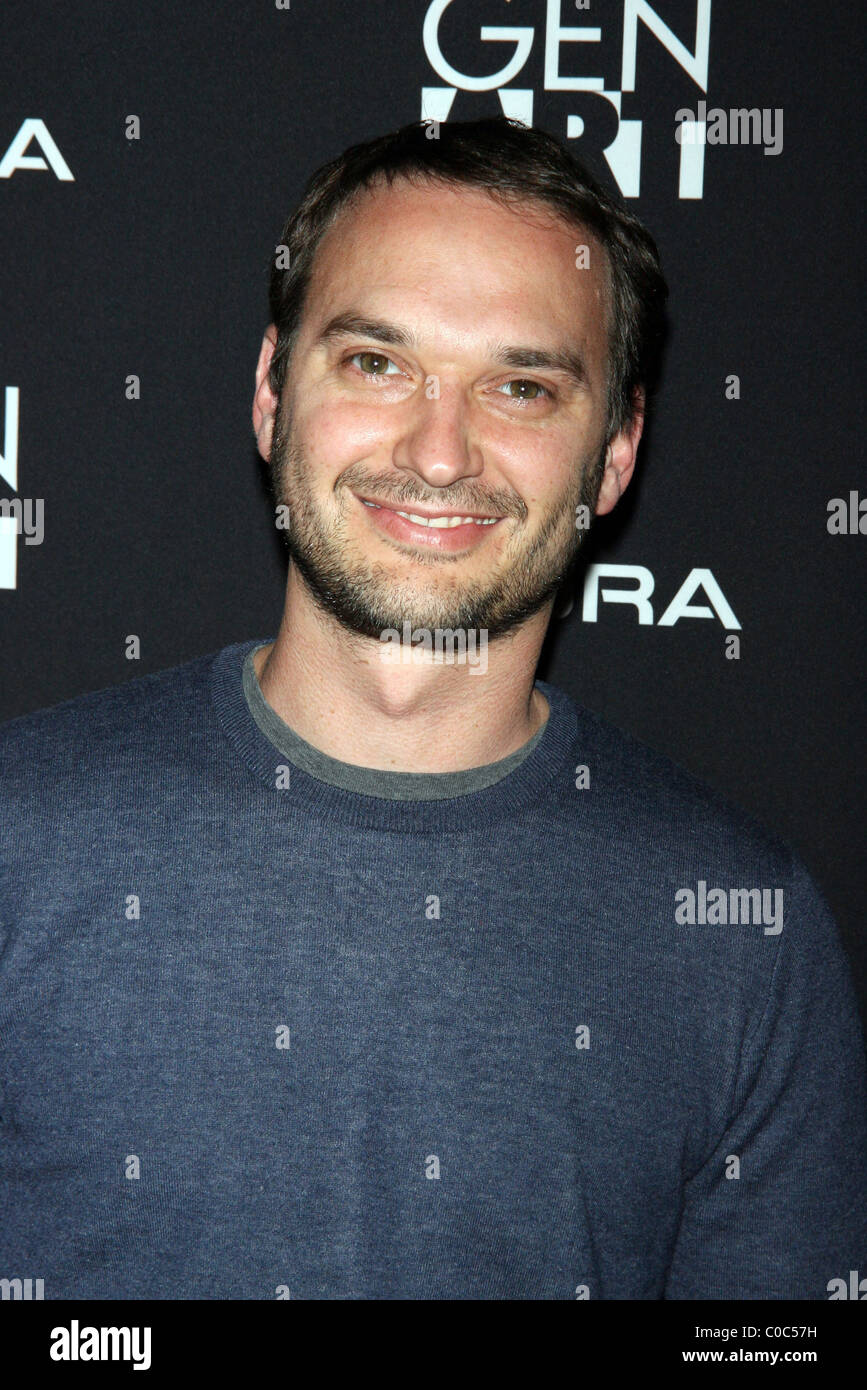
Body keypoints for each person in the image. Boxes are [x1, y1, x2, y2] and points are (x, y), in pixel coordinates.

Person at [1, 118, 864, 1301]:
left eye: (519, 385)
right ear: (269, 393)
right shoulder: (20, 835)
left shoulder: (744, 936)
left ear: (614, 453)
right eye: (376, 362)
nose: (441, 451)